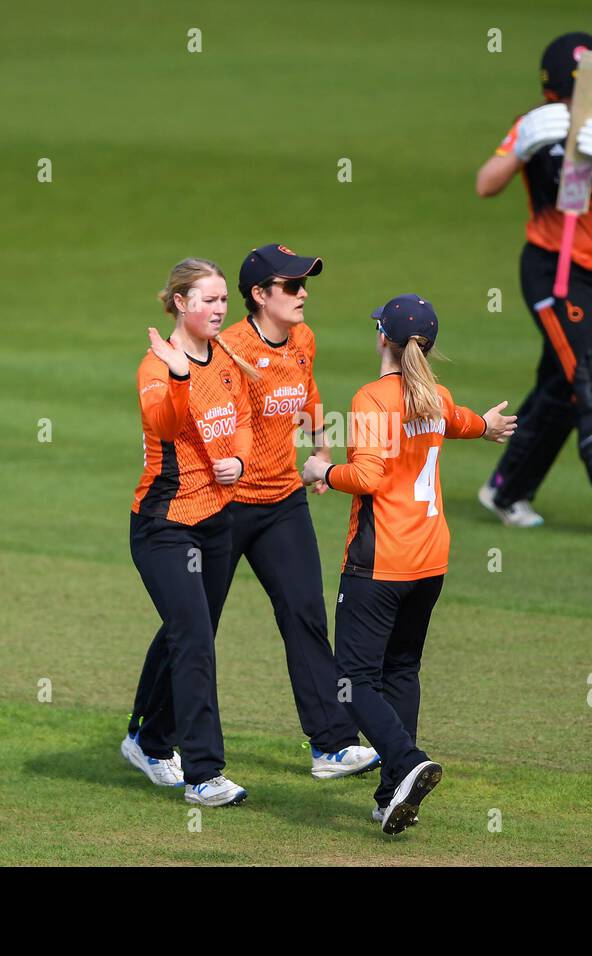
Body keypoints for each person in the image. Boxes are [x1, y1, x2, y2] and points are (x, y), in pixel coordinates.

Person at [302, 295, 517, 833]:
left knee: (351, 681)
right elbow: (458, 421)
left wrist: (322, 473)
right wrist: (486, 426)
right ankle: (389, 795)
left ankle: (406, 761)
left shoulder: (373, 398)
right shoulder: (434, 396)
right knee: (400, 670)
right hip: (431, 560)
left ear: (382, 338)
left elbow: (369, 477)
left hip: (379, 562)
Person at [474, 31, 592, 539]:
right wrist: (527, 146)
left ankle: (506, 488)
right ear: (570, 83)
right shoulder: (532, 125)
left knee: (562, 385)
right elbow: (486, 182)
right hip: (552, 274)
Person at [214, 244, 380, 779]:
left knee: (306, 614)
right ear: (260, 295)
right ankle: (149, 734)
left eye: (304, 284)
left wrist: (322, 450)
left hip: (282, 502)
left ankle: (331, 743)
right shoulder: (230, 349)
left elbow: (308, 396)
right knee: (193, 625)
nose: (303, 293)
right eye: (291, 285)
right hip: (226, 507)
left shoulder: (303, 338)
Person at [121, 257, 254, 808]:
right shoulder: (157, 367)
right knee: (194, 639)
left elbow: (242, 418)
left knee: (187, 633)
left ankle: (147, 740)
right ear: (180, 302)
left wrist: (240, 462)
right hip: (164, 525)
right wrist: (178, 375)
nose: (220, 308)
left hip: (217, 520)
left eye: (224, 299)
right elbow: (166, 425)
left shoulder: (224, 356)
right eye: (208, 299)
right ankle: (203, 775)